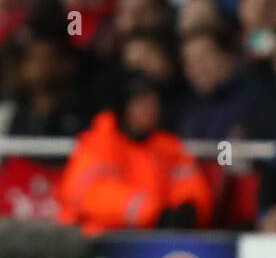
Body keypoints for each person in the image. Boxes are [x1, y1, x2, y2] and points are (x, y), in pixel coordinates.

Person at [57, 77, 212, 235]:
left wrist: (189, 208)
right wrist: (152, 213)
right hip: (100, 240)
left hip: (152, 238)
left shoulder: (168, 147)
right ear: (124, 107)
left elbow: (190, 185)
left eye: (153, 104)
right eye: (142, 105)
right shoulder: (98, 143)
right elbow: (90, 196)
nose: (150, 111)